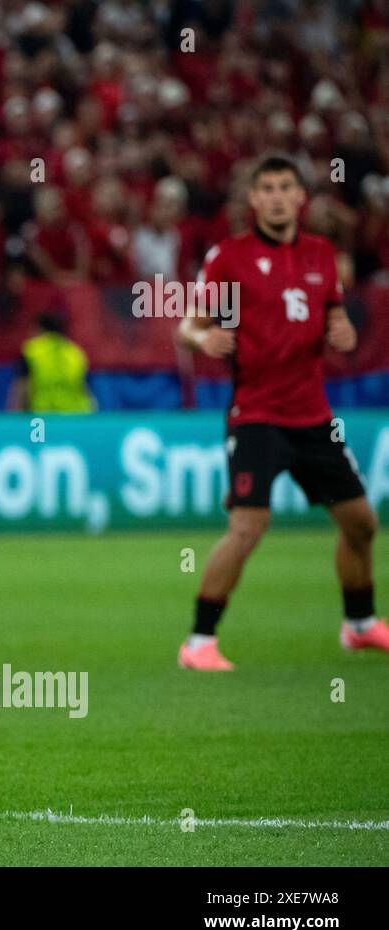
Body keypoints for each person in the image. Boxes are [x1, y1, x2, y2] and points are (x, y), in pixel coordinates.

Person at [175, 155, 388, 669]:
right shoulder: (231, 258)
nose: (274, 196)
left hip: (313, 414)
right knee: (249, 527)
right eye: (265, 188)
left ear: (299, 198)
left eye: (284, 187)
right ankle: (199, 642)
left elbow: (334, 316)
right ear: (253, 199)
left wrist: (345, 331)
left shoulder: (320, 256)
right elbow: (186, 327)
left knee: (360, 523)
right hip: (257, 413)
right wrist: (205, 337)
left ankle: (359, 624)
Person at [7, 312, 95, 413]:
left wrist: (14, 418)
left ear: (39, 329)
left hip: (45, 417)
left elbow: (22, 388)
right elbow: (87, 391)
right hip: (76, 416)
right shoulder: (75, 352)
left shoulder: (32, 351)